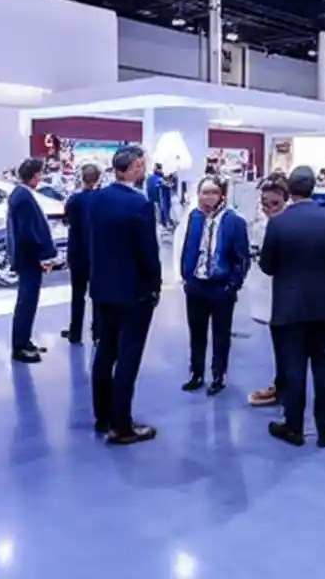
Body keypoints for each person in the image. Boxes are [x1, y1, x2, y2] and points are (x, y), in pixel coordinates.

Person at [259, 167, 325, 448]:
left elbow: (267, 266)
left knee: (293, 367)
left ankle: (294, 427)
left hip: (289, 305)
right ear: (314, 188)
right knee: (324, 366)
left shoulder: (279, 224)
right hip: (324, 304)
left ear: (289, 191)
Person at [90, 145, 162, 445]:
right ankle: (121, 425)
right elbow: (148, 253)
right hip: (133, 291)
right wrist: (155, 285)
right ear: (133, 167)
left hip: (103, 288)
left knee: (105, 352)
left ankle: (103, 416)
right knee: (128, 356)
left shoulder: (97, 200)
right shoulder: (140, 205)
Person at [179, 176, 250, 396]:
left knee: (221, 334)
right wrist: (186, 276)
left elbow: (242, 257)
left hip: (221, 287)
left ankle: (218, 374)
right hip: (196, 285)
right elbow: (187, 247)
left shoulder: (234, 221)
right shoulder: (194, 217)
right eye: (204, 192)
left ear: (222, 195)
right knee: (196, 333)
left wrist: (233, 284)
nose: (208, 197)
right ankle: (196, 373)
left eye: (213, 192)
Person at [5, 158, 59, 363]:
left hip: (27, 257)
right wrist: (42, 256)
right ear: (34, 175)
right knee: (27, 302)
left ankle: (24, 339)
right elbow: (29, 232)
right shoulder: (24, 198)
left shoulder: (22, 195)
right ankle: (19, 347)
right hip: (29, 259)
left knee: (27, 300)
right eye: (40, 174)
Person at [248, 179, 289, 407]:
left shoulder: (289, 224)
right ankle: (281, 383)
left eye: (275, 203)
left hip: (287, 294)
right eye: (265, 203)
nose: (269, 208)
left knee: (287, 345)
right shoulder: (260, 224)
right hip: (268, 292)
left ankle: (286, 389)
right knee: (278, 342)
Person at [61, 163, 100, 345]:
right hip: (96, 253)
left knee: (77, 295)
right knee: (97, 295)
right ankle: (97, 331)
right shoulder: (101, 199)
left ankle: (75, 332)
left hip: (77, 253)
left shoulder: (74, 200)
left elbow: (67, 219)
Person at [146, 162, 173, 230]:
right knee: (162, 210)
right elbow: (169, 185)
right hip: (159, 200)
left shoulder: (151, 178)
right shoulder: (158, 178)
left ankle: (163, 223)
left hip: (152, 200)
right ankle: (165, 223)